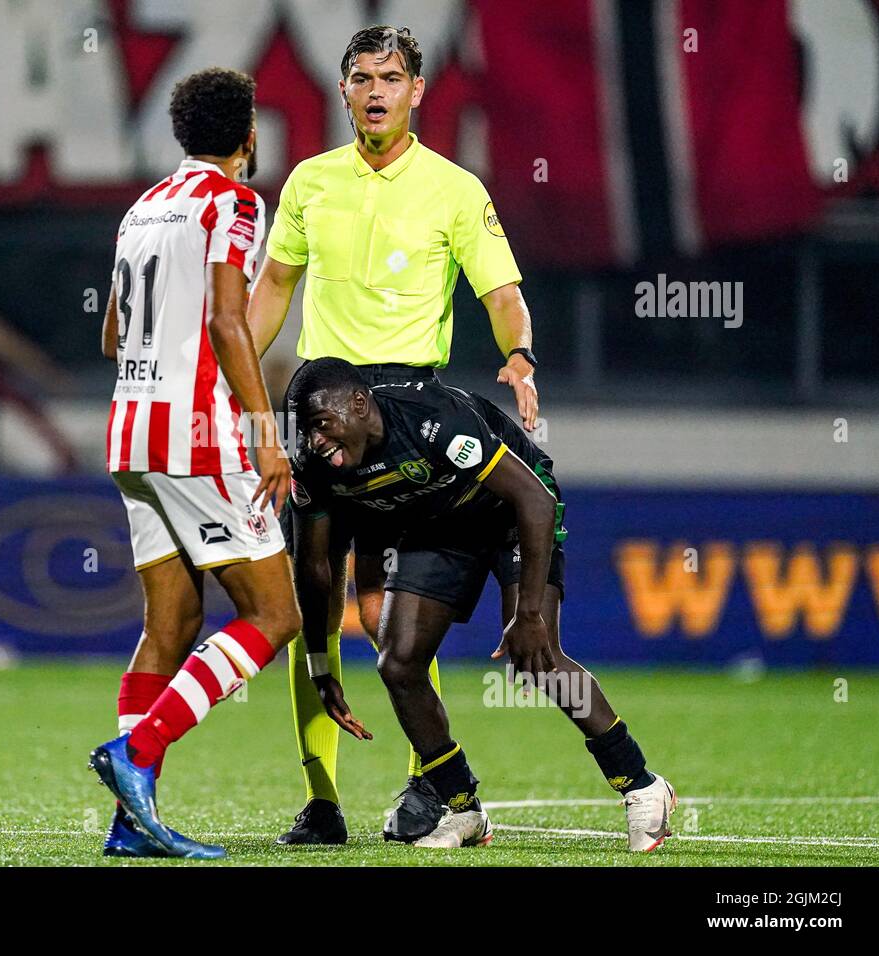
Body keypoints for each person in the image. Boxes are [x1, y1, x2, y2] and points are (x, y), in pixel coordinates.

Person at [245, 24, 542, 844]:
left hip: (412, 415)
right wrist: (229, 367)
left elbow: (502, 290)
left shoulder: (453, 188)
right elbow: (274, 285)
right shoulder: (308, 181)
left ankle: (426, 786)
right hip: (320, 409)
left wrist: (517, 353)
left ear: (417, 90)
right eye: (360, 77)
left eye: (391, 77)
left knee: (397, 613)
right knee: (315, 605)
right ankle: (322, 799)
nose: (375, 90)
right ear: (341, 90)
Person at [286, 358, 676, 852]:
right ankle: (463, 809)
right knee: (399, 664)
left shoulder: (433, 421)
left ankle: (641, 785)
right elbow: (314, 566)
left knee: (539, 659)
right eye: (307, 430)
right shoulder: (310, 465)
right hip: (441, 523)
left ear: (359, 405)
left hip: (513, 509)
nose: (316, 440)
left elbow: (534, 500)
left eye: (322, 424)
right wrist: (321, 665)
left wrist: (528, 614)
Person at [88, 68, 301, 859]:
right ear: (248, 137)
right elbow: (227, 319)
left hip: (129, 431)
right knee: (275, 615)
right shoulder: (237, 202)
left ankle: (129, 823)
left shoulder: (140, 209)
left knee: (170, 625)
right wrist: (265, 428)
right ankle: (136, 754)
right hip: (197, 432)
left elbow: (111, 334)